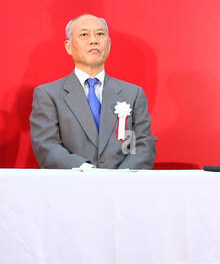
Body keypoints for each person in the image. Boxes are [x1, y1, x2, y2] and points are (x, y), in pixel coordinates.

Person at [30, 14, 155, 169]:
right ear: (69, 46)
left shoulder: (133, 94)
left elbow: (142, 145)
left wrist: (119, 178)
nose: (94, 40)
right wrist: (86, 171)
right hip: (72, 186)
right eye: (84, 35)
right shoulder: (48, 95)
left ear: (108, 44)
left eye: (100, 34)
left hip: (122, 188)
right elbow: (47, 146)